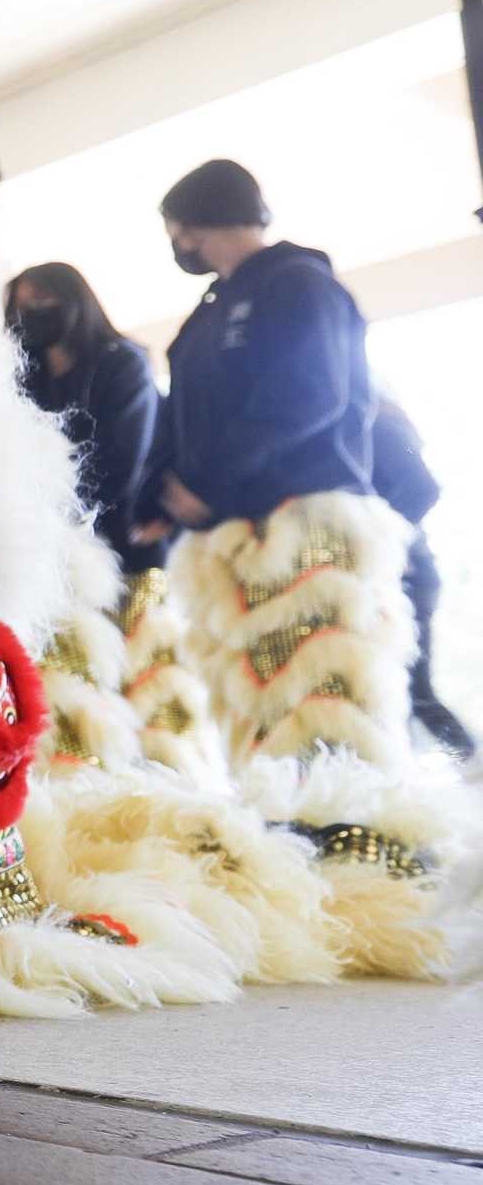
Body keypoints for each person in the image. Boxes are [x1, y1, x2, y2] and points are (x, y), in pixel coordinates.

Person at [136, 159, 411, 771]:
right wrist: (159, 499)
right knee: (259, 708)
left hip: (306, 524)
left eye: (177, 229)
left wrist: (207, 484)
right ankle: (285, 837)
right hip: (234, 535)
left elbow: (309, 395)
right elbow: (184, 418)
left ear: (192, 221)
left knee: (325, 699)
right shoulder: (209, 311)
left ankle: (355, 841)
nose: (178, 244)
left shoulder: (298, 283)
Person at [5, 263, 160, 573]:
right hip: (44, 543)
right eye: (21, 306)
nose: (30, 312)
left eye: (40, 300)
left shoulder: (123, 365)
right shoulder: (25, 373)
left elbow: (119, 466)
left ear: (73, 300)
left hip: (118, 544)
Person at [368, 393, 474, 759]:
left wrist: (389, 542)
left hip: (409, 578)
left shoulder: (379, 424)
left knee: (416, 693)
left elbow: (423, 489)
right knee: (398, 693)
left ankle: (470, 761)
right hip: (392, 578)